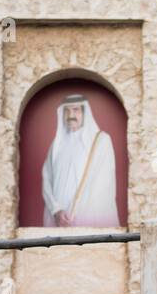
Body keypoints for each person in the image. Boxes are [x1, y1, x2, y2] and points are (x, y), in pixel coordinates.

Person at [41, 95, 118, 227]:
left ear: (85, 113)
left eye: (76, 110)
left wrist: (74, 217)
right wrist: (56, 210)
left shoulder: (101, 141)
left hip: (88, 221)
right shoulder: (57, 144)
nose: (71, 115)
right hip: (58, 221)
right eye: (67, 111)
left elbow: (102, 187)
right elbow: (46, 180)